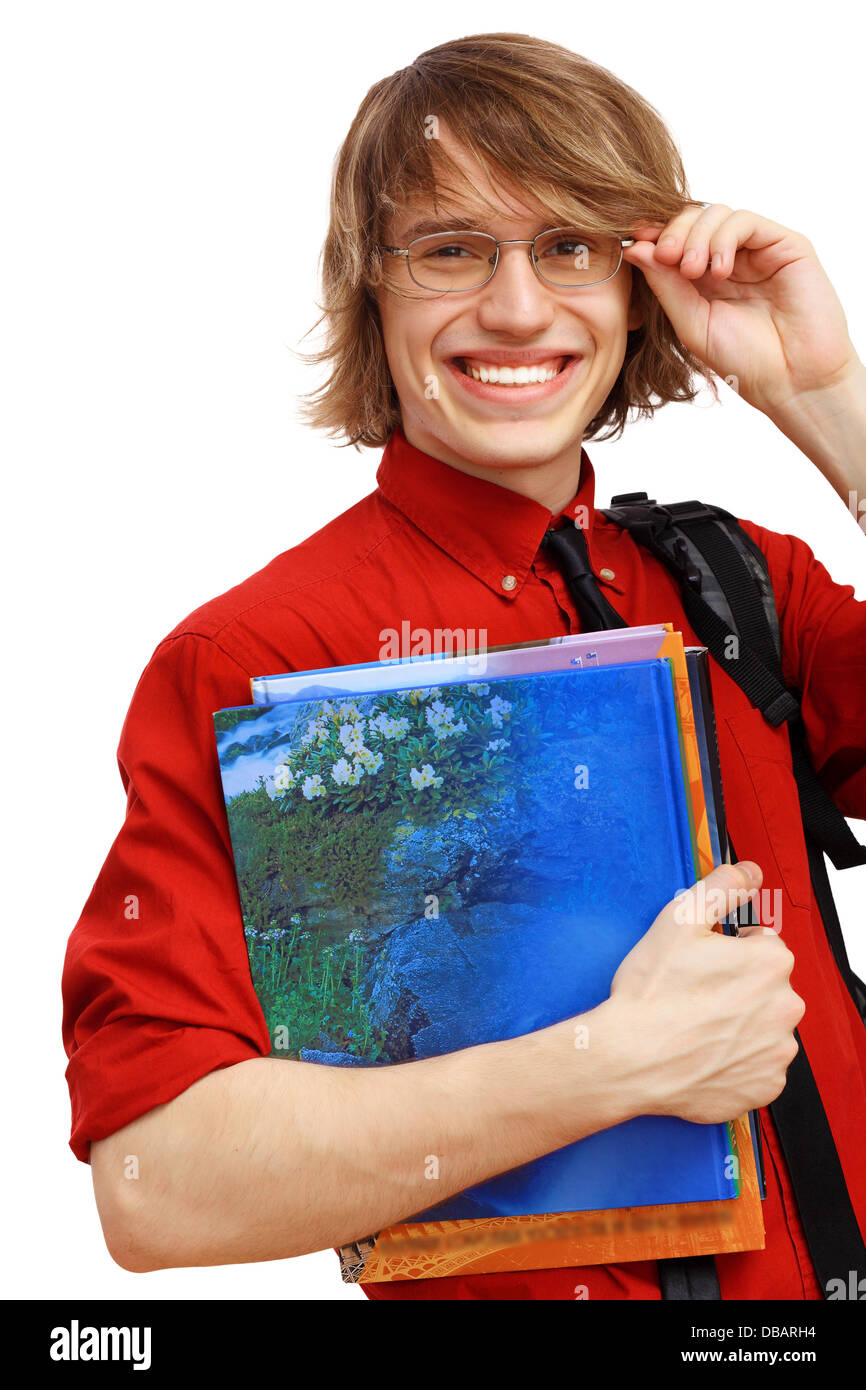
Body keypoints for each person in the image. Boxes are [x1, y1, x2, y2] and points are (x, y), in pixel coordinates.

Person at [62, 32, 866, 1300]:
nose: (516, 309)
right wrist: (614, 1061)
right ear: (367, 292)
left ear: (636, 281)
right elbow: (154, 1186)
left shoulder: (744, 585)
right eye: (450, 250)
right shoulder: (260, 657)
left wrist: (829, 398)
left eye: (569, 248)